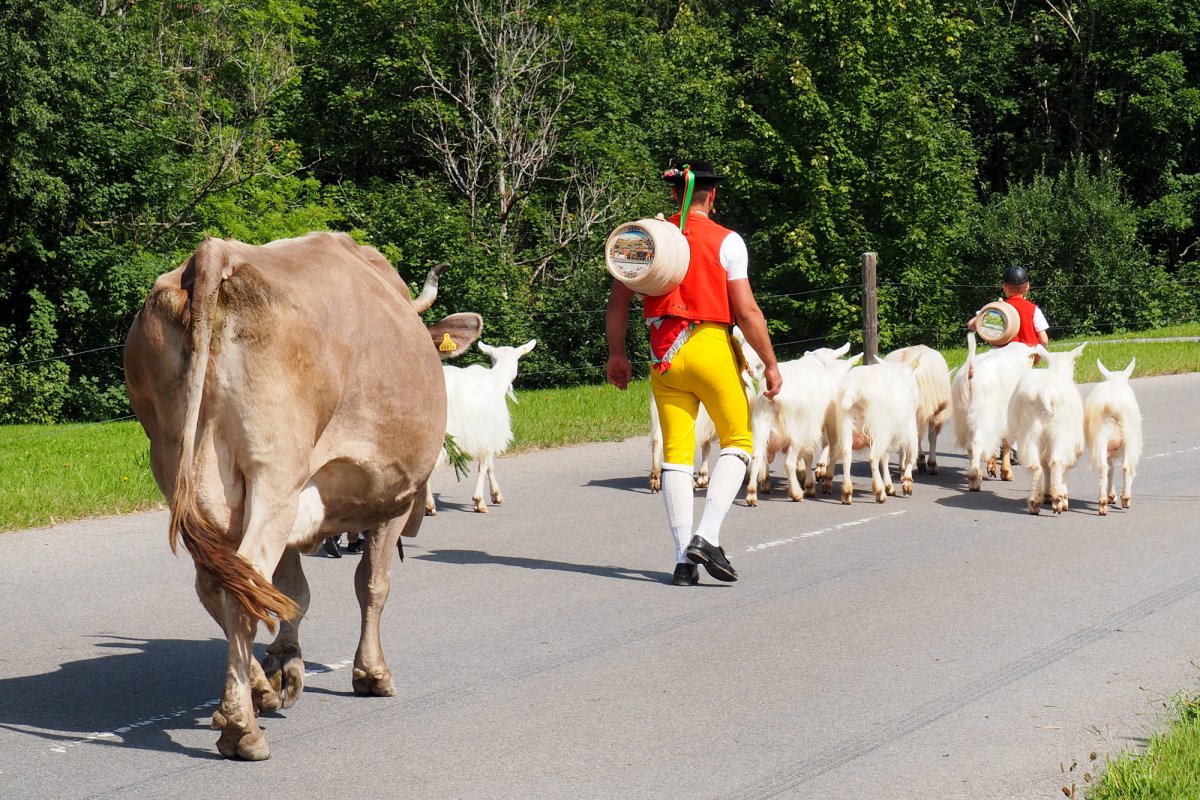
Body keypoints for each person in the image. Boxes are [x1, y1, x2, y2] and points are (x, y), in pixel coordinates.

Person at [605, 159, 782, 586]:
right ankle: (706, 536)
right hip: (709, 348)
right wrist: (771, 362)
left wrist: (617, 354)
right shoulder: (728, 241)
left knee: (677, 458)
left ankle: (682, 561)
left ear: (674, 195)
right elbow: (746, 310)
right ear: (712, 196)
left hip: (663, 354)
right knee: (738, 440)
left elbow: (617, 305)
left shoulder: (647, 240)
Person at [968, 264, 1049, 350]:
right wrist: (1037, 356)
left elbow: (971, 325)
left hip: (1002, 357)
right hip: (1026, 358)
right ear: (1027, 287)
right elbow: (1044, 340)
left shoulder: (999, 308)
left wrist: (991, 308)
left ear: (1004, 287)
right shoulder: (1034, 310)